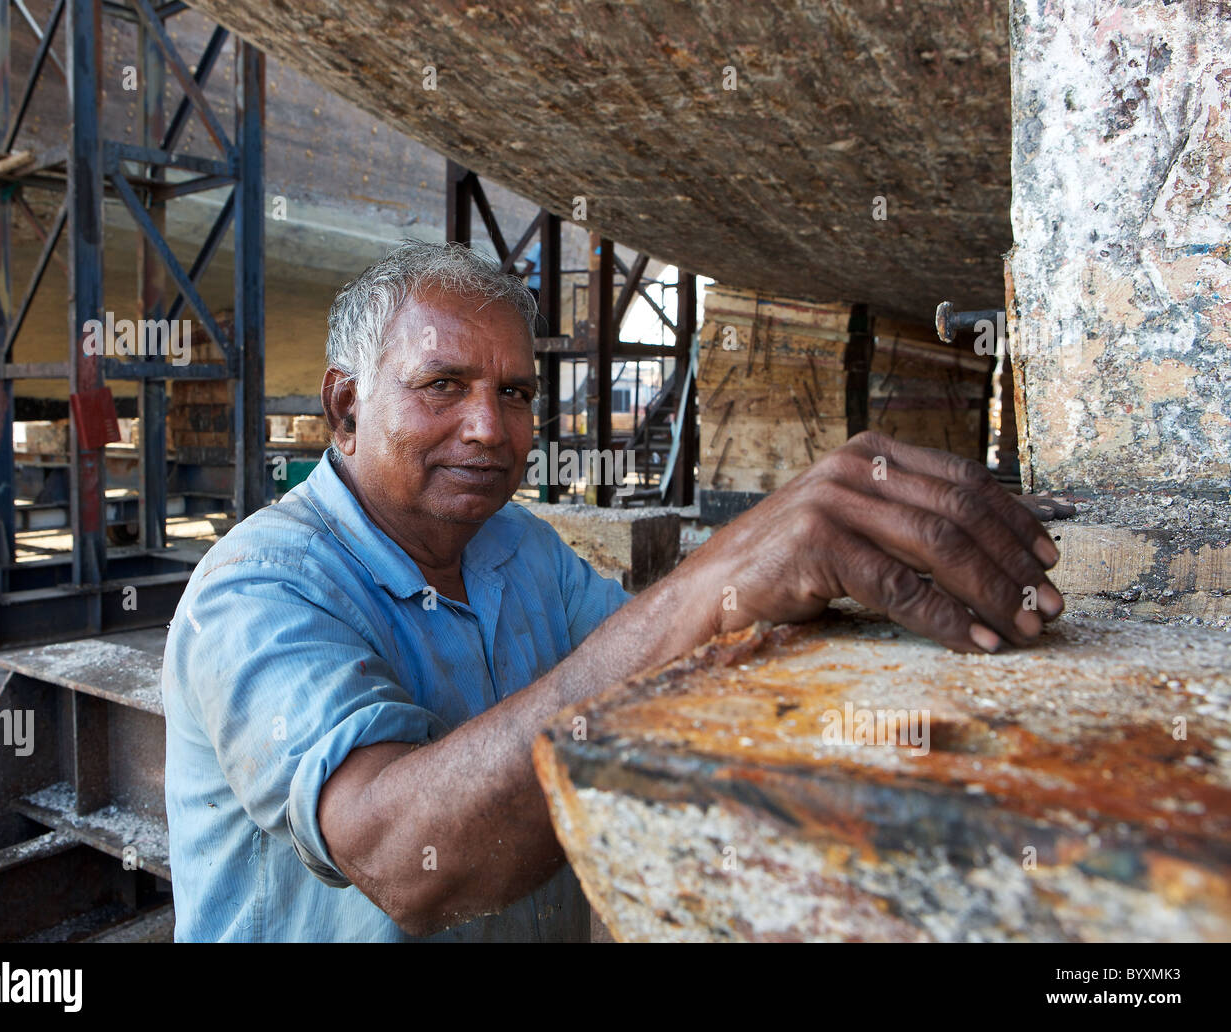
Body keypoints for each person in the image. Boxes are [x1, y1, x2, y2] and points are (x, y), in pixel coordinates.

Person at [162, 241, 1070, 941]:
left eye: (515, 393)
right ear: (346, 406)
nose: (489, 428)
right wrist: (717, 575)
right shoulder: (257, 589)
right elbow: (404, 863)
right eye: (442, 386)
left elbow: (673, 672)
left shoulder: (516, 545)